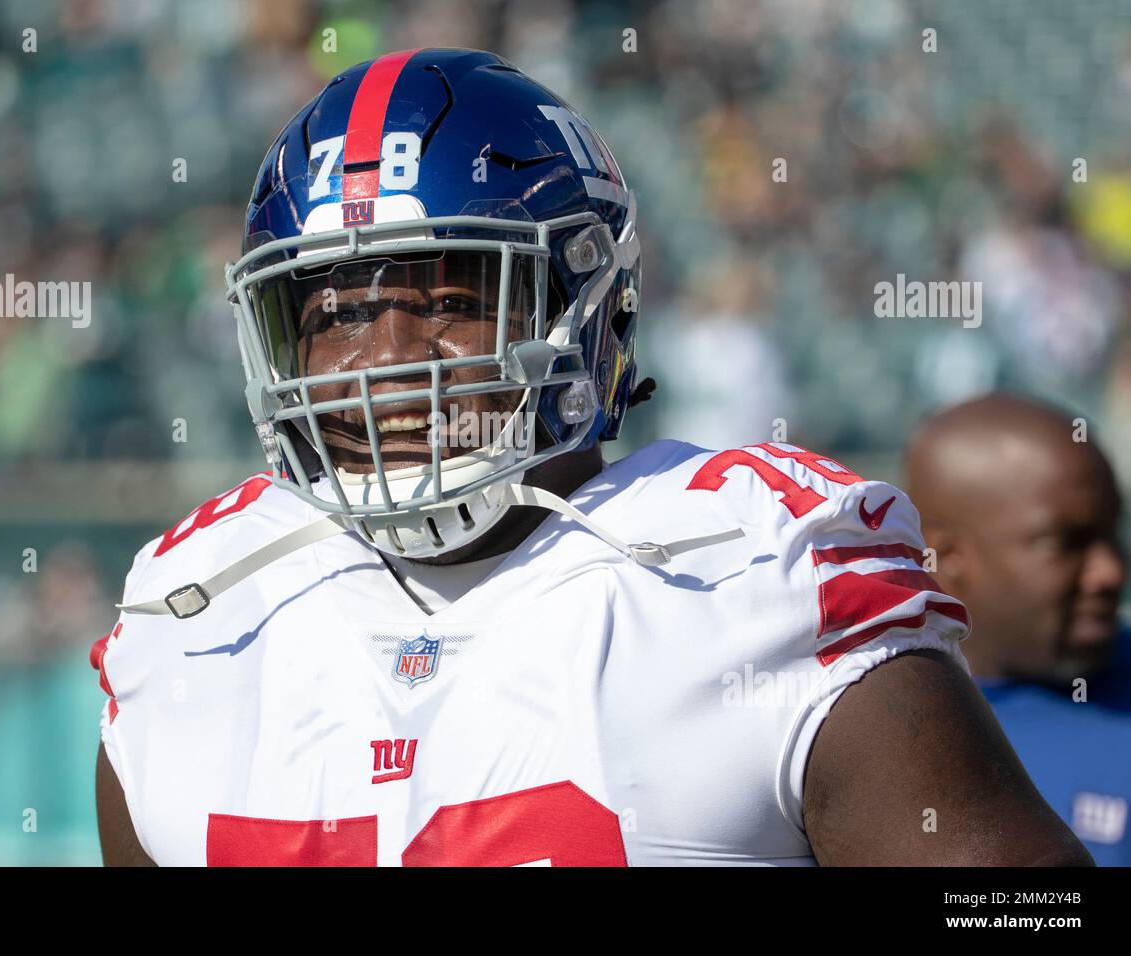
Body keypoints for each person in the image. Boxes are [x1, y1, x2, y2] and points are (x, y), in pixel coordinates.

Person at [93, 49, 1089, 866]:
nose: (387, 363)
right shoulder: (191, 615)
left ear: (588, 310)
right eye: (339, 311)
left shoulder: (754, 568)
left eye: (450, 301)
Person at [906, 392, 1130, 865]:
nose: (1109, 571)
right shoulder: (848, 723)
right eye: (1067, 543)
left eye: (1113, 534)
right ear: (947, 556)